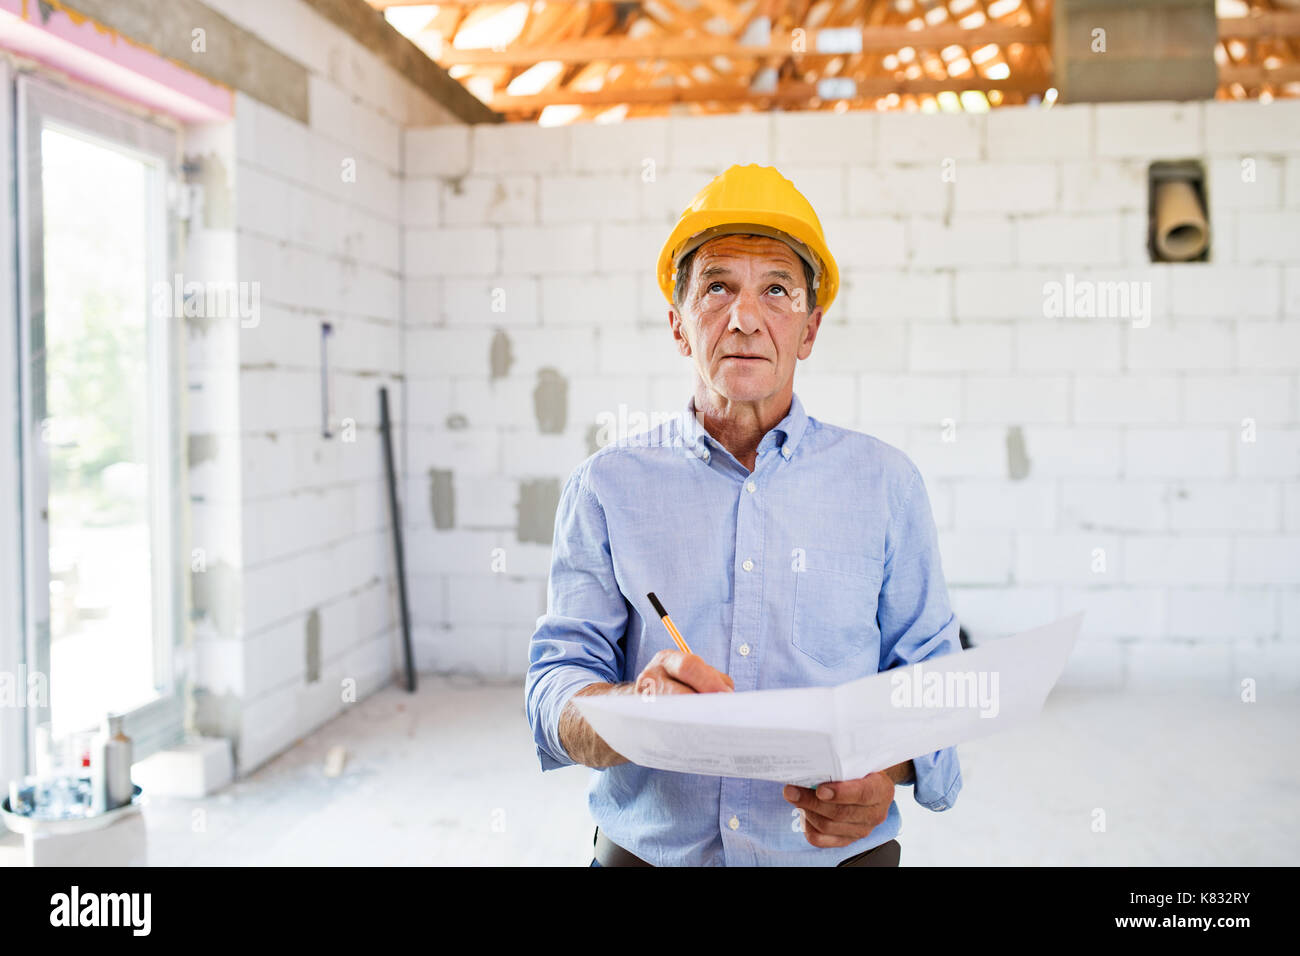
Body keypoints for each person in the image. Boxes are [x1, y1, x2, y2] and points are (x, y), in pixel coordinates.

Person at [525, 164, 962, 866]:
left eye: (777, 290)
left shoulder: (887, 485)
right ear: (678, 325)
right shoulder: (605, 487)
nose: (745, 317)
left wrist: (888, 774)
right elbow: (554, 688)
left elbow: (934, 682)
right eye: (718, 286)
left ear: (810, 329)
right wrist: (632, 714)